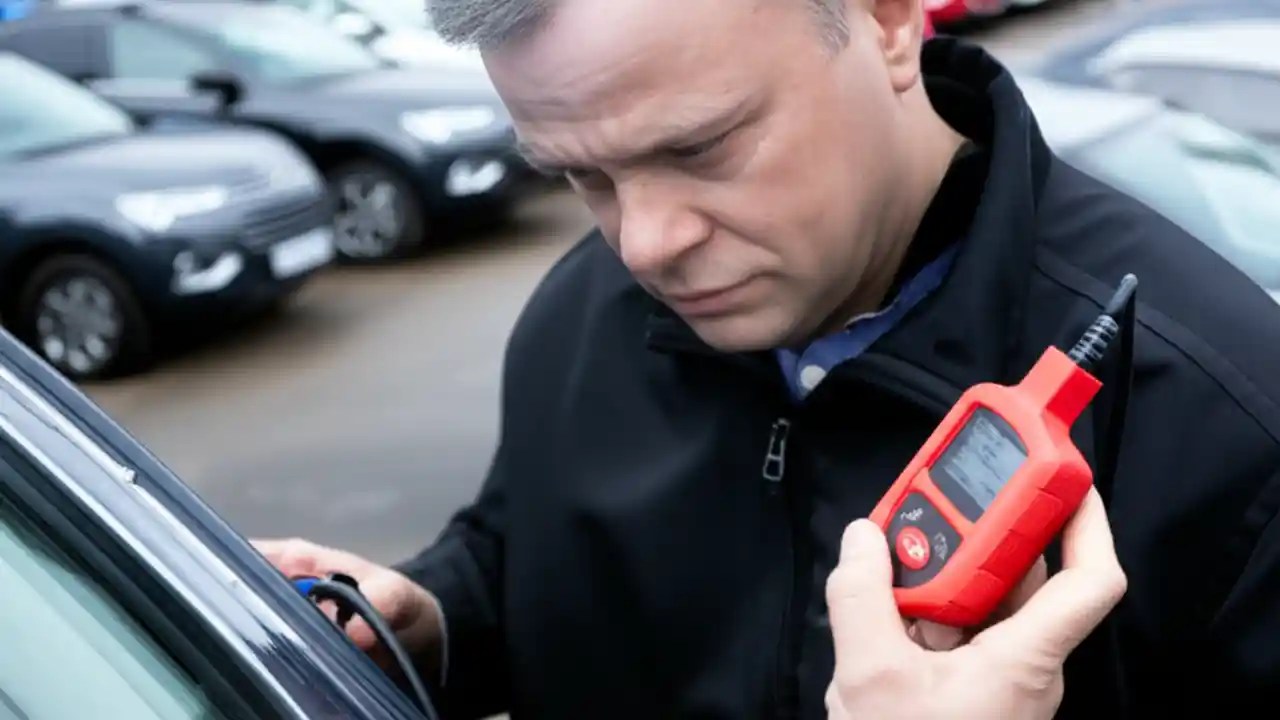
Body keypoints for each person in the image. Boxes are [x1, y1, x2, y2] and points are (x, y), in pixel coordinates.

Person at [258, 0, 1280, 716]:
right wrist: (434, 619)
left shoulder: (1227, 424)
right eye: (580, 176)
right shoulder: (581, 309)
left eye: (699, 149)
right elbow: (527, 553)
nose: (643, 245)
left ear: (886, 20)